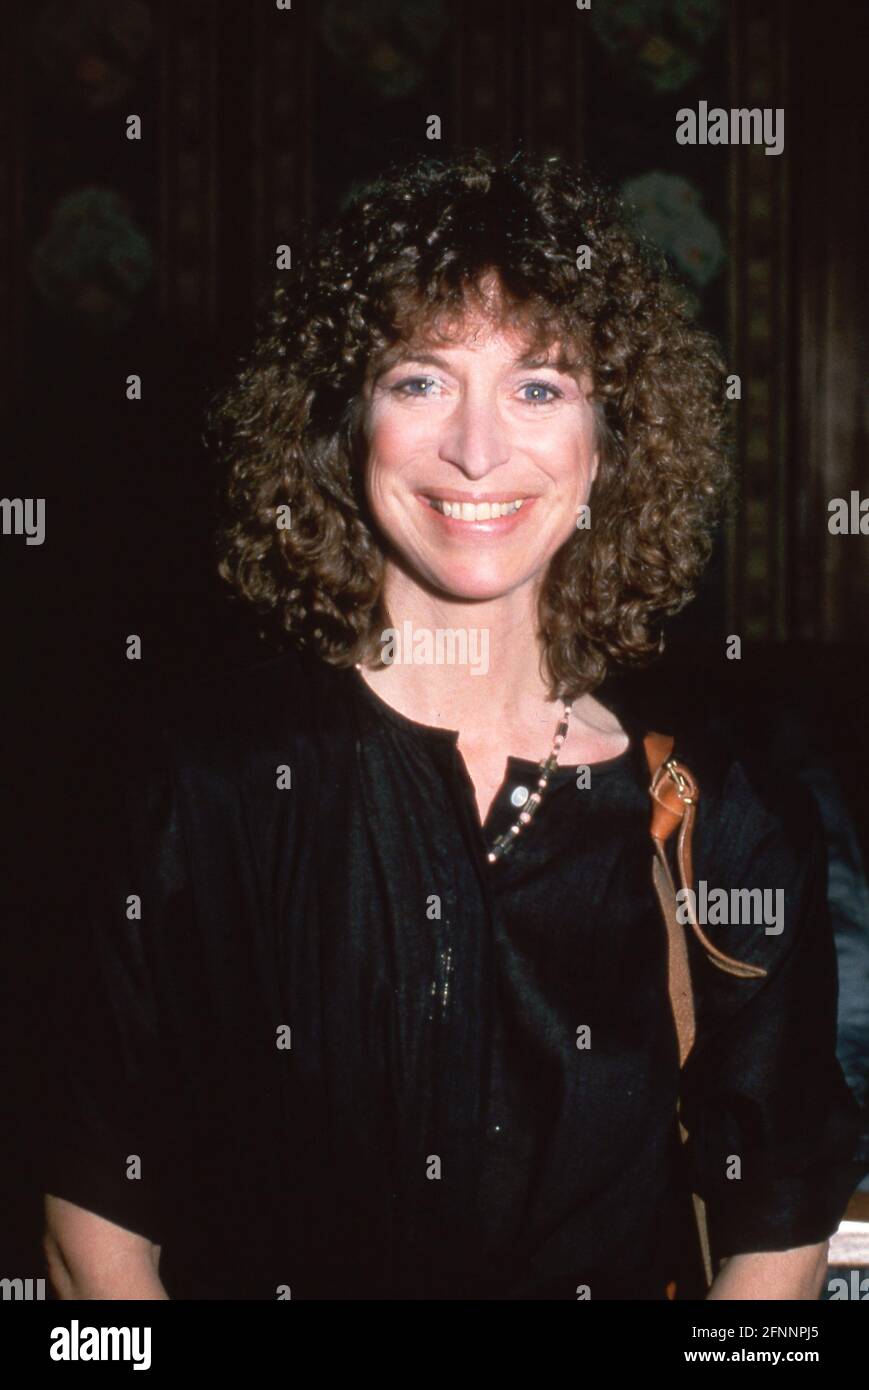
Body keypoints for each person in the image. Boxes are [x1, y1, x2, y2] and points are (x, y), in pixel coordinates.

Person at [41, 150, 865, 1300]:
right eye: (419, 380)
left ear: (606, 445)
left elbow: (774, 1221)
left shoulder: (718, 817)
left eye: (538, 387)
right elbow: (93, 1215)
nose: (477, 449)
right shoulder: (197, 783)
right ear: (342, 424)